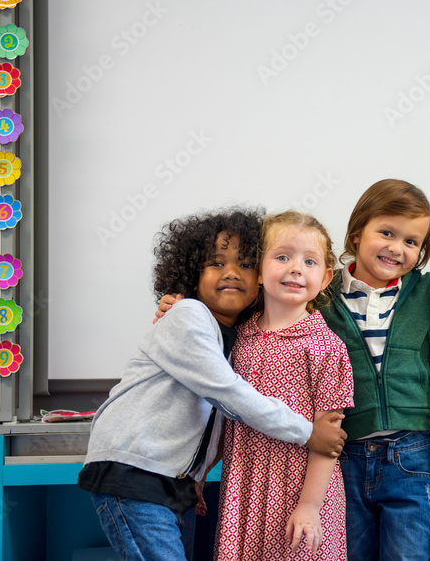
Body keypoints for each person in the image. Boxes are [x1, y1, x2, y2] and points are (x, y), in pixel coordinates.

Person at [79, 207, 346, 561]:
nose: (232, 273)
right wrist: (307, 432)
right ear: (192, 272)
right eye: (216, 263)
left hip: (174, 481)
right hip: (136, 474)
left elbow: (218, 417)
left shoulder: (241, 337)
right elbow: (228, 394)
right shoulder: (189, 316)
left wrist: (198, 475)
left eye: (244, 263)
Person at [315, 179, 430, 561]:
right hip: (345, 453)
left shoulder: (426, 291)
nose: (396, 247)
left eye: (411, 241)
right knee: (352, 553)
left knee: (407, 555)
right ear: (357, 234)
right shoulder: (321, 294)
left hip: (411, 451)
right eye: (386, 232)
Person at [215, 210, 354, 561]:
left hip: (301, 491)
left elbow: (329, 436)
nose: (295, 268)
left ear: (326, 279)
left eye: (309, 262)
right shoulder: (238, 335)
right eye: (282, 257)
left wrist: (309, 506)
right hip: (243, 489)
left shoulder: (326, 347)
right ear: (258, 271)